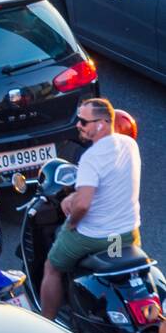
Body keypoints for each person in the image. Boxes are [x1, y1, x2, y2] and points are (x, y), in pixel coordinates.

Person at [41, 98, 141, 320]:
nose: (78, 125)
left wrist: (73, 222)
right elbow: (111, 181)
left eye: (84, 122)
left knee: (52, 266)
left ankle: (47, 321)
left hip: (95, 236)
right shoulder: (129, 145)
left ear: (102, 124)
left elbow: (84, 205)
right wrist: (76, 195)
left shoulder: (91, 158)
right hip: (126, 233)